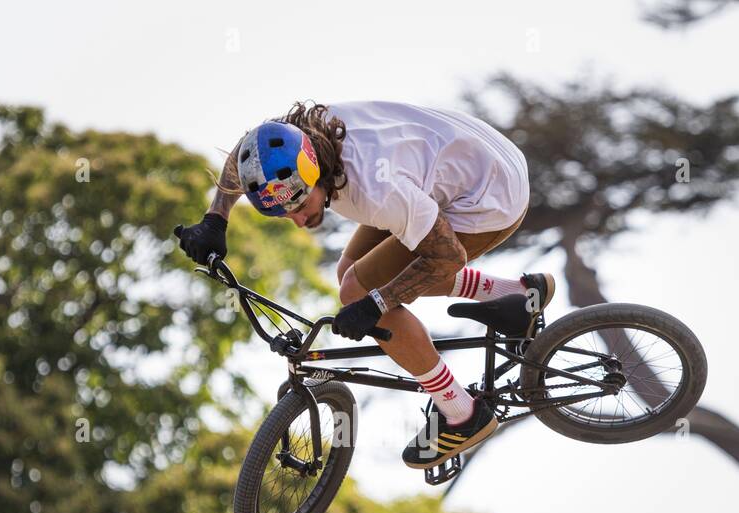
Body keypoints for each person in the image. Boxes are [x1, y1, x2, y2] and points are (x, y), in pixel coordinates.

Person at [175, 100, 555, 468]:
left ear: (315, 175)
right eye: (284, 213)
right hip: (467, 156)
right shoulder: (296, 140)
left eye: (299, 205)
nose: (297, 220)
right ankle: (516, 295)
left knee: (357, 289)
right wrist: (216, 219)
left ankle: (461, 412)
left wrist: (377, 304)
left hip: (490, 197)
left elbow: (447, 257)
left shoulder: (378, 190)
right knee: (350, 272)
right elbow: (248, 151)